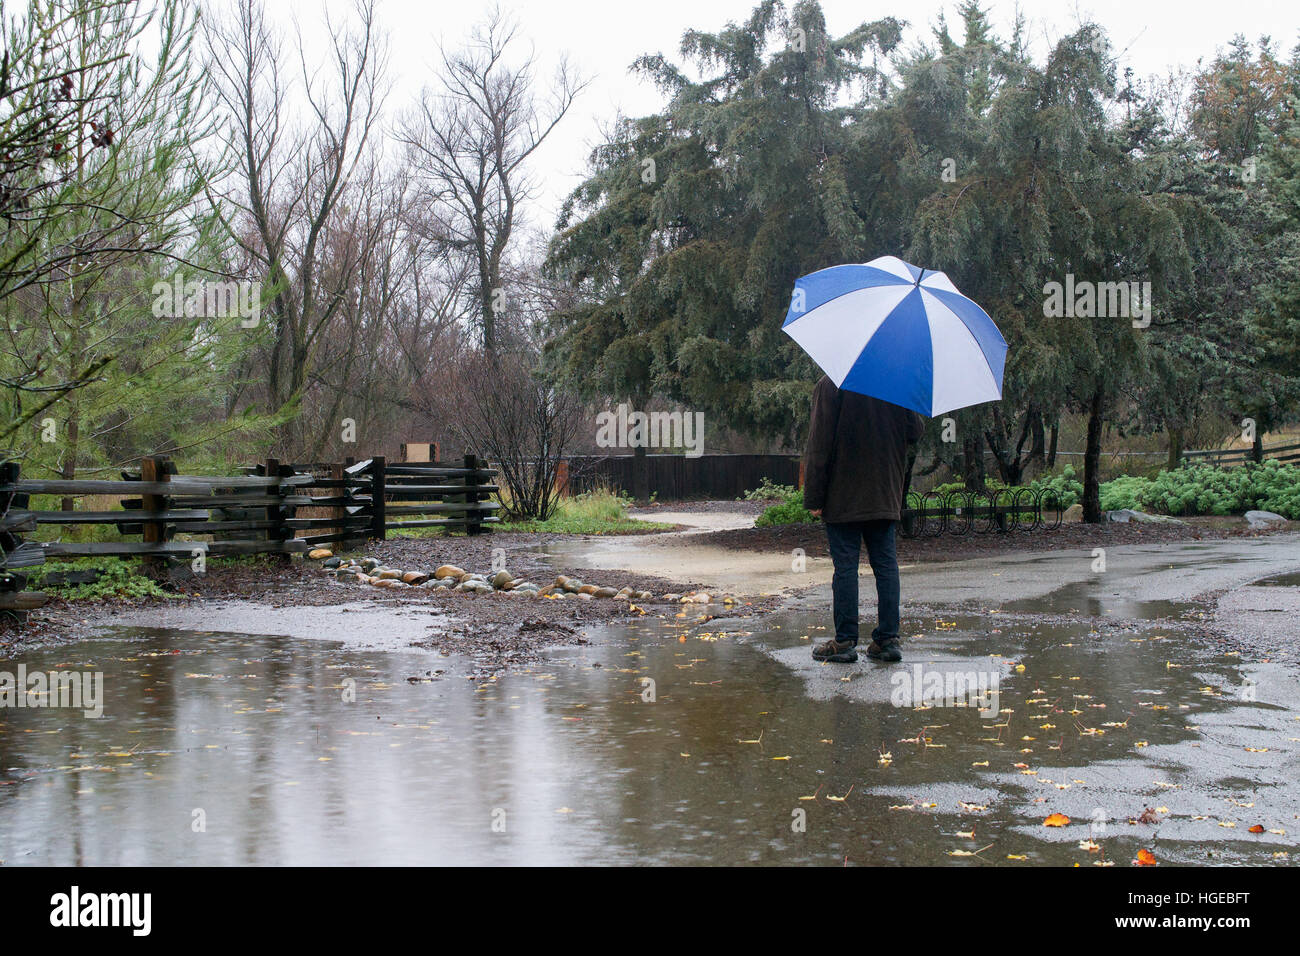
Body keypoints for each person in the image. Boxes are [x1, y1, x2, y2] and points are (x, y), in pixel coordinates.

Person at [802, 375, 926, 664]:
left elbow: (819, 443)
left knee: (845, 567)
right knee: (886, 566)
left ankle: (845, 642)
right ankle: (887, 640)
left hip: (842, 494)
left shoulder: (831, 383)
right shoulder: (893, 381)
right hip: (884, 492)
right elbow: (915, 430)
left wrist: (814, 497)